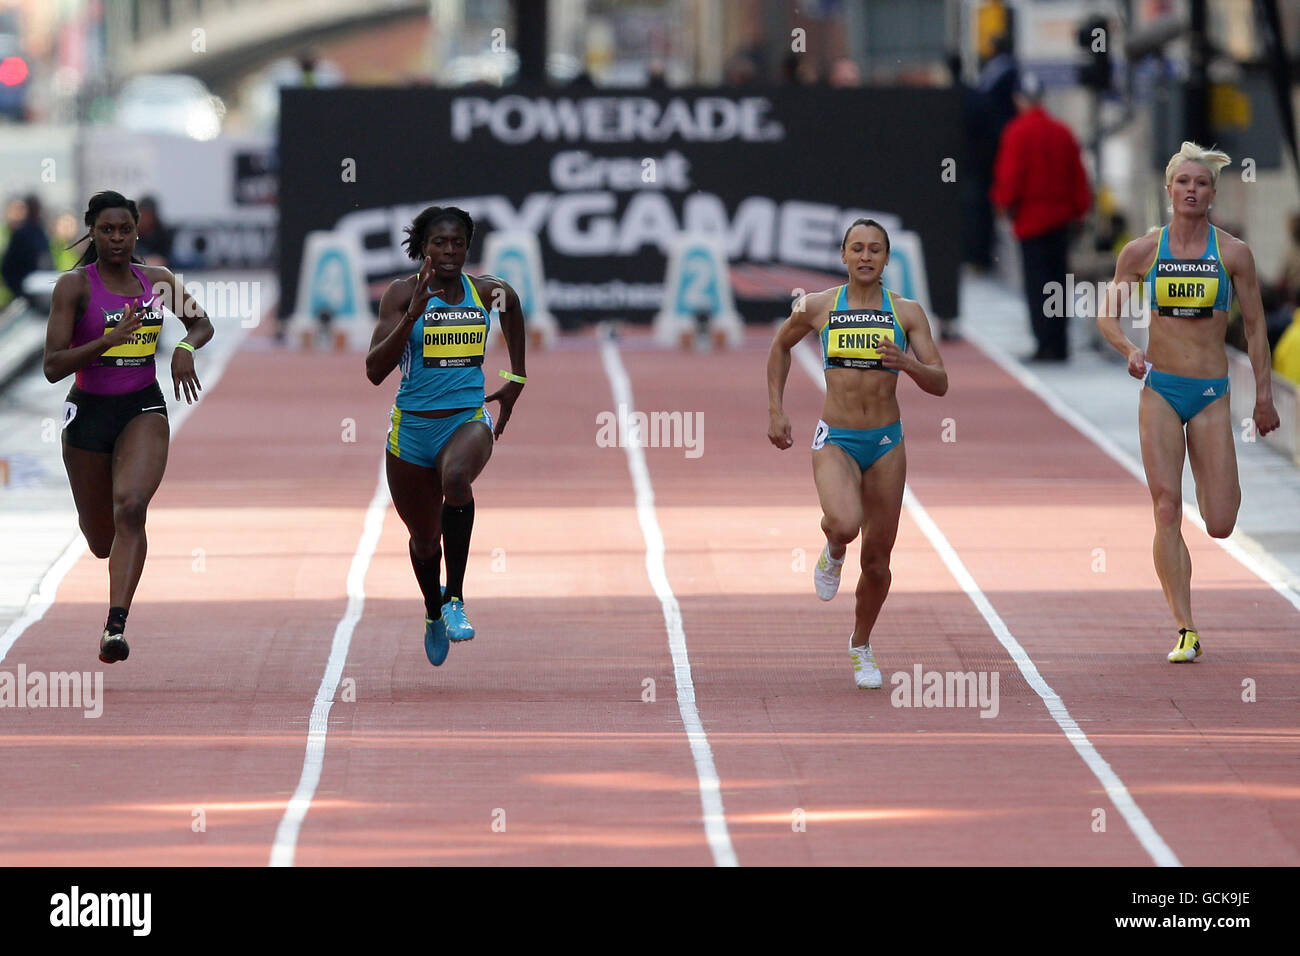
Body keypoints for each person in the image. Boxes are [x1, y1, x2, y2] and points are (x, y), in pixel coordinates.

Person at [1097, 142, 1279, 662]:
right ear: (1170, 190)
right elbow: (1107, 315)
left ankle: (1214, 494)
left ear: (1213, 193)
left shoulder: (1233, 254)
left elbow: (1257, 326)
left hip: (1210, 394)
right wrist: (1131, 349)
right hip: (1160, 388)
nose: (1192, 190)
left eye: (1201, 183)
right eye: (1184, 183)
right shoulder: (1142, 252)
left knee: (1220, 520)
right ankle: (1185, 626)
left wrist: (1263, 396)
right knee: (1165, 506)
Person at [767, 219, 948, 689]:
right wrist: (776, 410)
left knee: (877, 564)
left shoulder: (906, 313)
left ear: (887, 260)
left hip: (886, 442)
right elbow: (779, 347)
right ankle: (831, 548)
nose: (866, 257)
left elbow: (940, 382)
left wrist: (907, 363)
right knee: (845, 524)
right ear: (844, 257)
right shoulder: (818, 306)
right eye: (857, 249)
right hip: (837, 439)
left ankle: (861, 643)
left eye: (875, 250)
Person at [42, 190, 214, 663]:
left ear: (138, 231)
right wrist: (107, 340)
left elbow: (202, 326)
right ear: (92, 233)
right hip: (88, 413)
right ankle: (105, 550)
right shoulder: (74, 287)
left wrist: (183, 349)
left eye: (125, 230)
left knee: (132, 506)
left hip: (143, 407)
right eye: (107, 230)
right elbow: (53, 366)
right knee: (101, 539)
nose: (117, 239)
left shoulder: (157, 281)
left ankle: (115, 626)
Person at [366, 206, 526, 667]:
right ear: (424, 247)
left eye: (458, 242)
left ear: (467, 246)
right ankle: (433, 610)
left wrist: (517, 377)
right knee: (423, 539)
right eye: (440, 243)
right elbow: (375, 371)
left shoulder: (485, 292)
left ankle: (455, 597)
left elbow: (512, 304)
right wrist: (410, 317)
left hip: (467, 420)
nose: (450, 251)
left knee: (457, 479)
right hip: (412, 432)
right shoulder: (401, 294)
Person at [991, 73, 1092, 361]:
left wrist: (1002, 204)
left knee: (1037, 285)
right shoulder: (1063, 132)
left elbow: (1010, 177)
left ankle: (1044, 343)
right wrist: (1080, 212)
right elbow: (1078, 177)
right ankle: (1060, 342)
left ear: (1019, 99)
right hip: (1061, 222)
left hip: (1030, 222)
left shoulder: (1016, 132)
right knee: (1058, 283)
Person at [2, 193, 51, 303]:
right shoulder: (23, 233)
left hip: (39, 291)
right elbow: (8, 267)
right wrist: (19, 290)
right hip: (24, 293)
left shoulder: (39, 232)